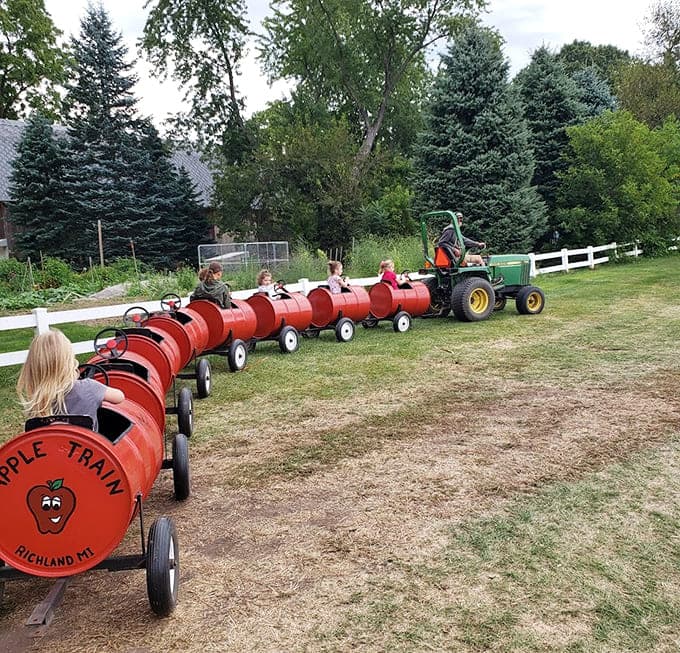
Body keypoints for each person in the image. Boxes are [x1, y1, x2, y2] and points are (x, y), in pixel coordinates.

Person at [16, 329, 124, 432]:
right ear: (70, 362)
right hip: (89, 449)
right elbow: (119, 397)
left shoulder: (37, 402)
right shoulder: (89, 388)